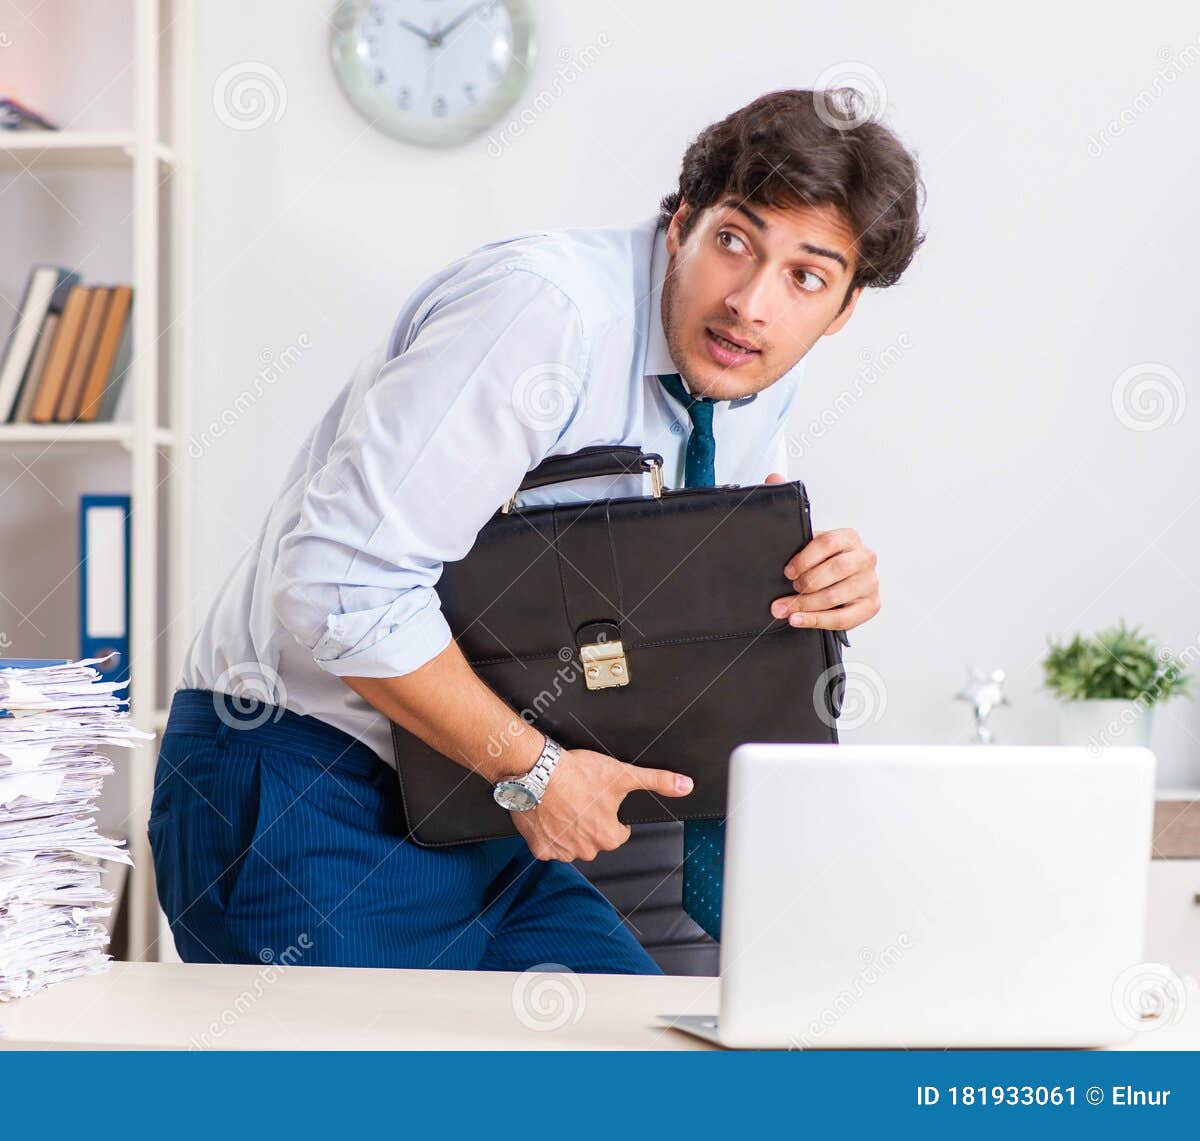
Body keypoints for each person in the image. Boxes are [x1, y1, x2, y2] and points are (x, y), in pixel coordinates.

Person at [151, 88, 924, 973]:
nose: (752, 302)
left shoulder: (749, 367)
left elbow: (690, 593)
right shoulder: (540, 314)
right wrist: (537, 771)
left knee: (642, 1049)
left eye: (806, 277)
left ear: (844, 305)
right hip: (312, 781)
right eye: (734, 242)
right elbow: (336, 586)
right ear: (681, 223)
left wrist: (820, 589)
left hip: (486, 800)